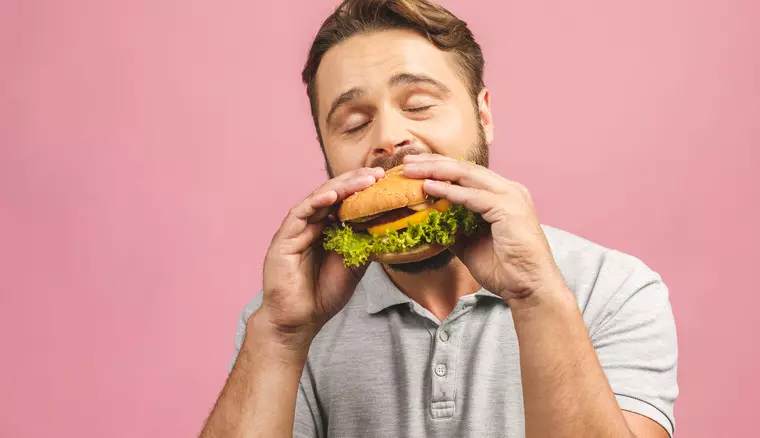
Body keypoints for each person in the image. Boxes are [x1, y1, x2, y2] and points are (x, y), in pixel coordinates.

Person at [200, 0, 678, 436]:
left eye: (419, 105)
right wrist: (280, 337)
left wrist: (536, 296)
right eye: (354, 123)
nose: (390, 137)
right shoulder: (289, 314)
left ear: (483, 115)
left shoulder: (612, 289)